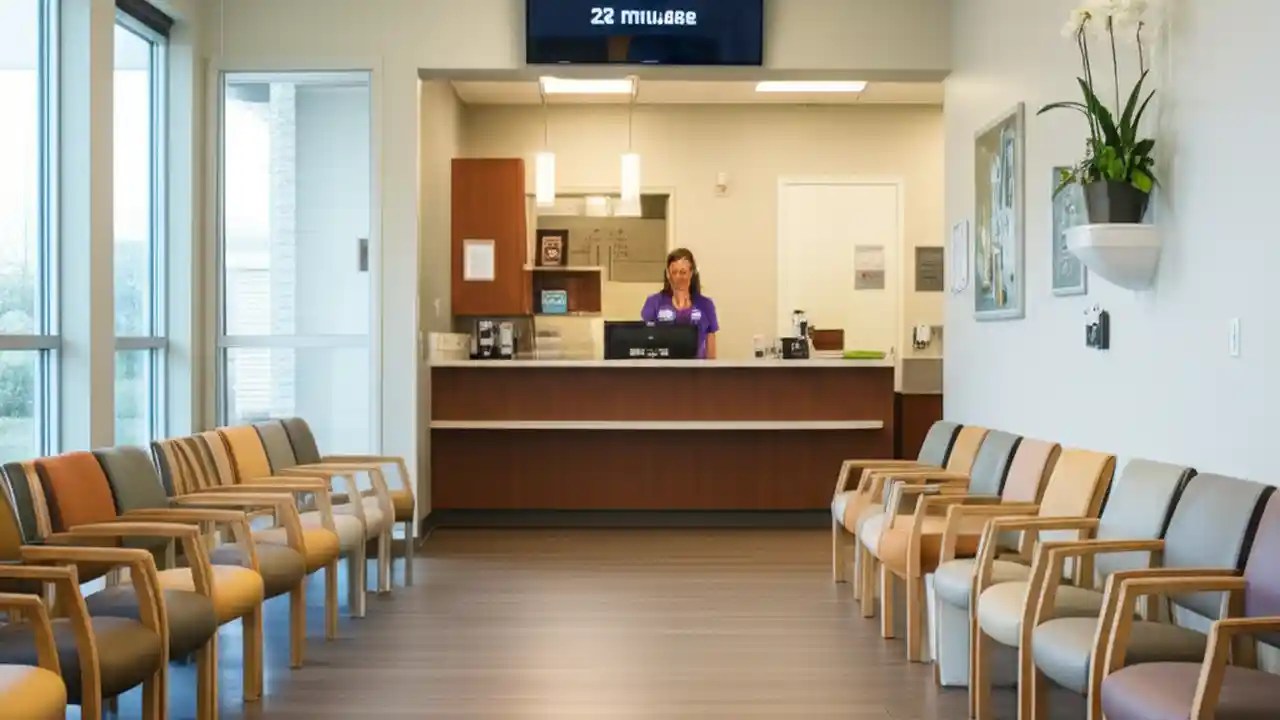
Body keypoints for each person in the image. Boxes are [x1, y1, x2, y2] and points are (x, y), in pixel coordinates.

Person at [640, 248, 719, 359]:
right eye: (674, 272)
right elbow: (645, 341)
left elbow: (711, 349)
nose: (678, 277)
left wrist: (710, 374)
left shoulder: (706, 305)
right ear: (668, 274)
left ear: (691, 273)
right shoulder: (654, 302)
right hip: (663, 370)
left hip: (697, 371)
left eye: (683, 272)